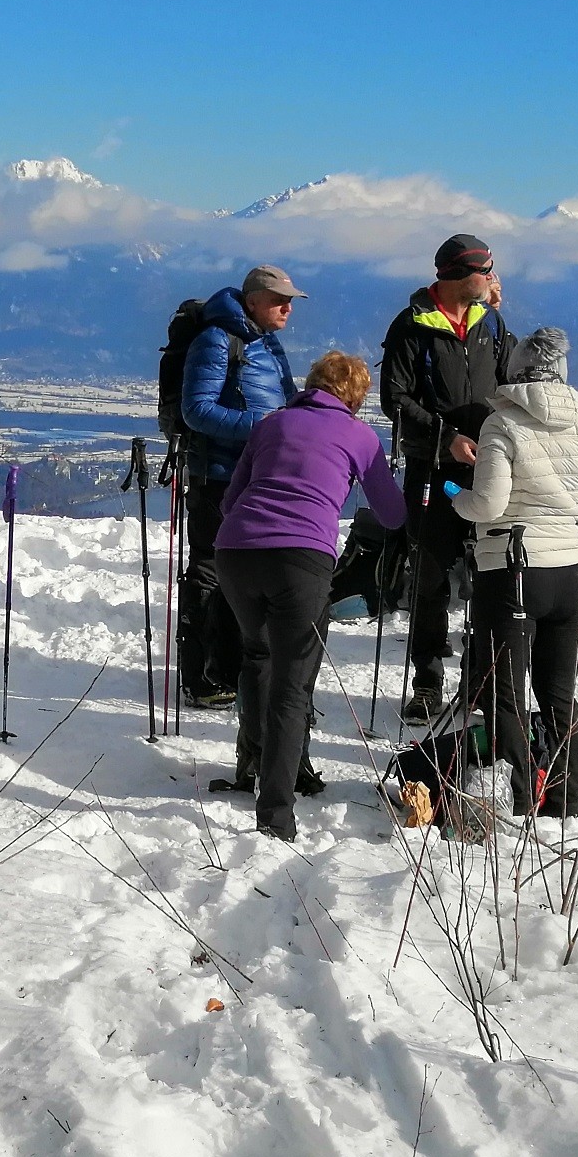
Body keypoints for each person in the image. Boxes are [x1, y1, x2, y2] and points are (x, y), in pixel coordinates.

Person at [212, 351, 405, 841]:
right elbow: (391, 513)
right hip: (302, 558)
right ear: (356, 398)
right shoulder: (359, 435)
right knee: (292, 685)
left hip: (236, 551)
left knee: (258, 655)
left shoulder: (271, 425)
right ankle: (276, 812)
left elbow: (230, 500)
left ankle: (252, 763)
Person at [451, 328, 578, 818]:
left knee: (506, 689)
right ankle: (565, 799)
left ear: (515, 373)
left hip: (513, 568)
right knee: (559, 691)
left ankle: (519, 796)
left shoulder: (501, 423)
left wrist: (454, 497)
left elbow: (489, 504)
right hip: (572, 568)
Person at [378, 235, 512, 710]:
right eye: (486, 270)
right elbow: (394, 399)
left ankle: (481, 676)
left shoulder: (490, 321)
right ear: (460, 274)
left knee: (493, 570)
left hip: (489, 466)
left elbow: (510, 383)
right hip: (433, 468)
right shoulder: (412, 325)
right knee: (430, 575)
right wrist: (446, 437)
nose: (493, 277)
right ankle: (428, 681)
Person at [176, 266, 305, 710]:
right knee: (210, 569)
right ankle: (201, 674)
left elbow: (285, 398)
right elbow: (196, 410)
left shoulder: (265, 342)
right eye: (278, 300)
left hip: (256, 474)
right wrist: (263, 427)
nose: (287, 308)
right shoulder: (216, 340)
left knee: (244, 572)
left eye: (289, 301)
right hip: (218, 476)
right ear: (252, 301)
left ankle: (230, 667)